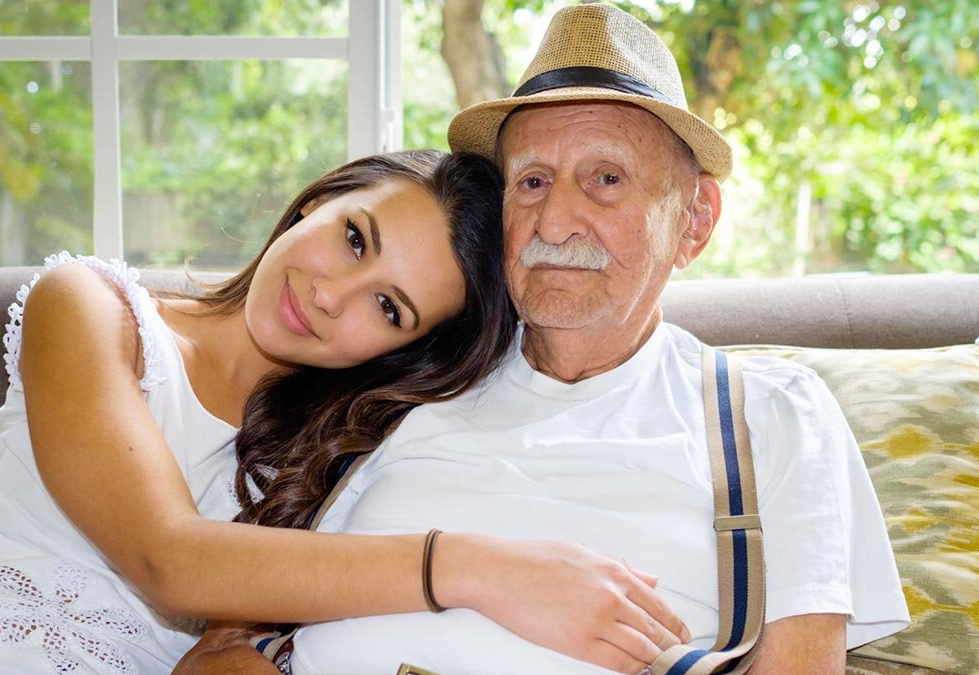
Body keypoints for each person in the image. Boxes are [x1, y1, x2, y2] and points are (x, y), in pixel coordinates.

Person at [179, 4, 911, 675]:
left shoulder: (773, 415)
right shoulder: (406, 376)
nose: (556, 222)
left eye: (605, 178)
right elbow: (216, 655)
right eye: (531, 181)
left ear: (693, 220)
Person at [0, 150, 685, 674]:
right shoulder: (89, 307)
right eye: (355, 239)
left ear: (397, 352)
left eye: (389, 308)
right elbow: (168, 558)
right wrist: (482, 566)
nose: (332, 295)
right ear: (313, 205)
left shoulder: (338, 464)